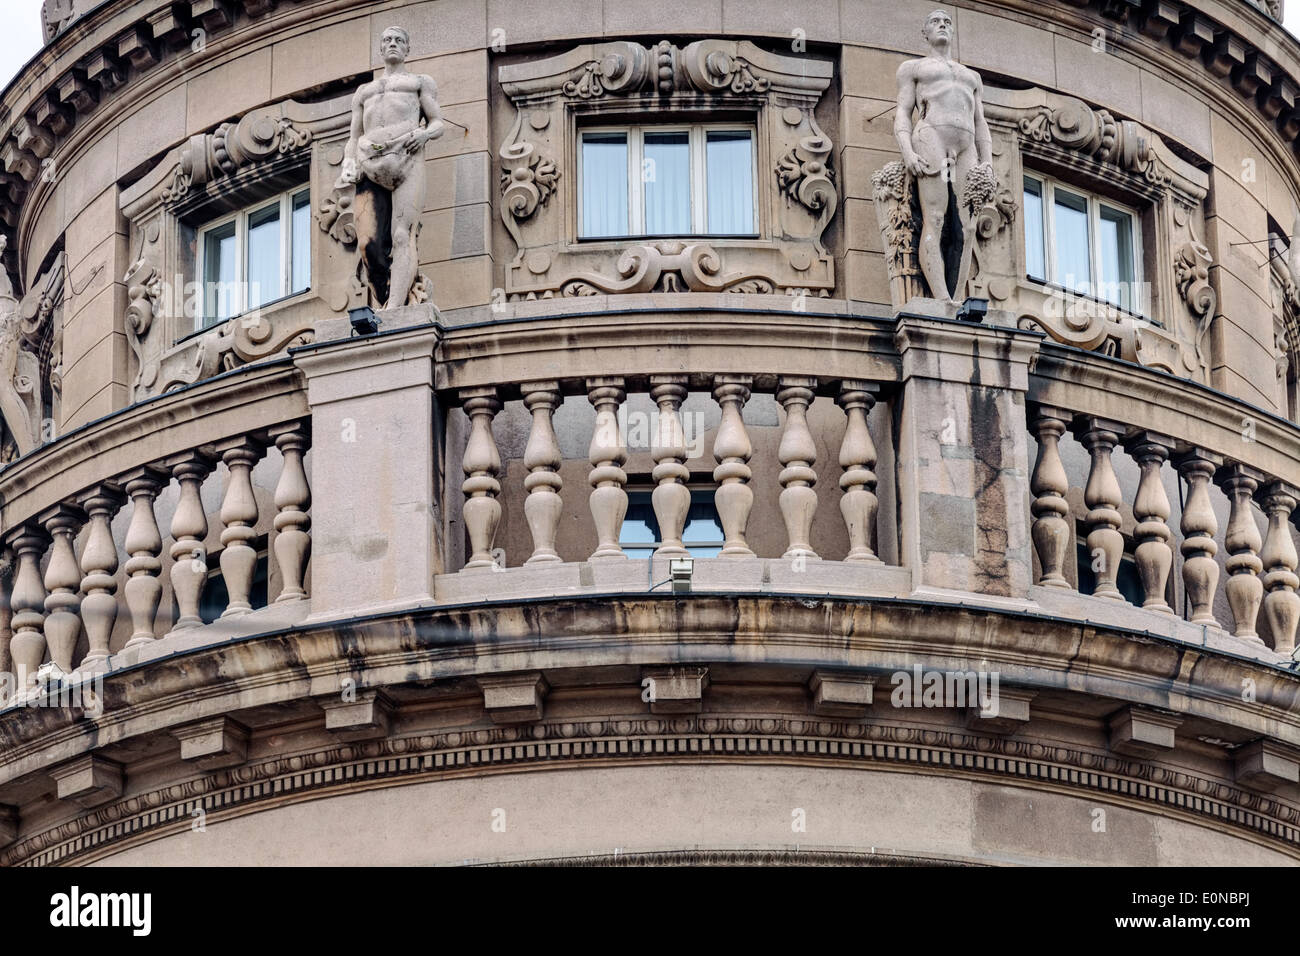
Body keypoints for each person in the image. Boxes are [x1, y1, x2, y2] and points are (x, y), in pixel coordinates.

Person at [339, 26, 445, 309]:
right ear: (381, 49)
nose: (393, 44)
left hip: (406, 159)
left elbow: (438, 122)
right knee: (368, 245)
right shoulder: (365, 91)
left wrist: (423, 134)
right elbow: (353, 135)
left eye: (400, 40)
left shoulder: (419, 82)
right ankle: (385, 296)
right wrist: (349, 162)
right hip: (369, 161)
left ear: (407, 48)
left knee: (402, 234)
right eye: (387, 40)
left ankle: (395, 309)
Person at [894, 10, 993, 303]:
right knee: (935, 218)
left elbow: (980, 122)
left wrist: (987, 162)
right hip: (930, 136)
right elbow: (902, 111)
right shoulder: (914, 68)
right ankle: (942, 299)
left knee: (968, 224)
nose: (943, 25)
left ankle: (956, 297)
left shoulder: (971, 76)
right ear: (925, 32)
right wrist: (907, 151)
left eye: (948, 22)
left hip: (966, 146)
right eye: (936, 21)